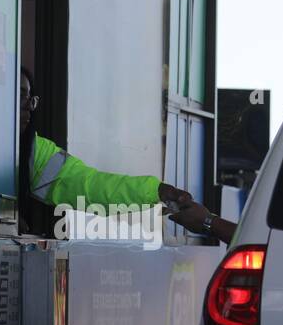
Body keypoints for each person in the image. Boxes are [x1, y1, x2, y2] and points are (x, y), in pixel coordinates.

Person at [18, 68, 191, 231]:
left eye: (30, 99)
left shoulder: (34, 151)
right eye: (20, 96)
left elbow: (90, 186)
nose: (29, 107)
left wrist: (156, 191)